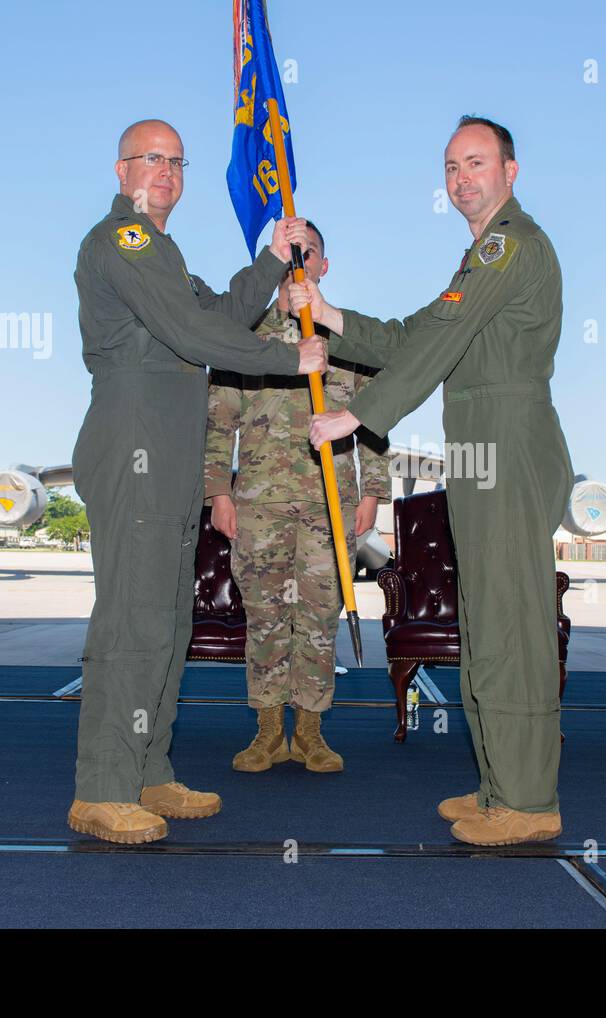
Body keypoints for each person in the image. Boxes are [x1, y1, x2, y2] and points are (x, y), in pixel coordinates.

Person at [293, 116, 575, 847]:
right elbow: (418, 331)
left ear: (511, 171)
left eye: (476, 163)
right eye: (451, 168)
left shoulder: (512, 244)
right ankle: (498, 784)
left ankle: (529, 800)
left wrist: (357, 416)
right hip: (481, 447)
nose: (461, 180)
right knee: (485, 623)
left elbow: (437, 344)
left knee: (511, 624)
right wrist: (330, 315)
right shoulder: (479, 258)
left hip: (509, 445)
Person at [69, 119, 326, 844]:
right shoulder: (118, 242)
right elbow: (195, 335)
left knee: (166, 623)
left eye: (178, 162)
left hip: (171, 451)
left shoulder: (166, 255)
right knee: (130, 623)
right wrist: (287, 361)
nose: (167, 173)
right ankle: (102, 787)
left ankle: (148, 770)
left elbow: (216, 314)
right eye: (152, 160)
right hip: (135, 441)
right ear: (121, 170)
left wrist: (274, 262)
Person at [203, 221, 390, 774]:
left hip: (329, 503)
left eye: (309, 253)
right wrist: (218, 492)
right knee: (263, 616)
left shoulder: (347, 340)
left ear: (323, 267)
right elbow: (218, 425)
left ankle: (309, 731)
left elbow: (377, 420)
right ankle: (266, 731)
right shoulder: (243, 338)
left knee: (317, 617)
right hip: (258, 502)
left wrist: (373, 493)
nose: (299, 261)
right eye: (291, 252)